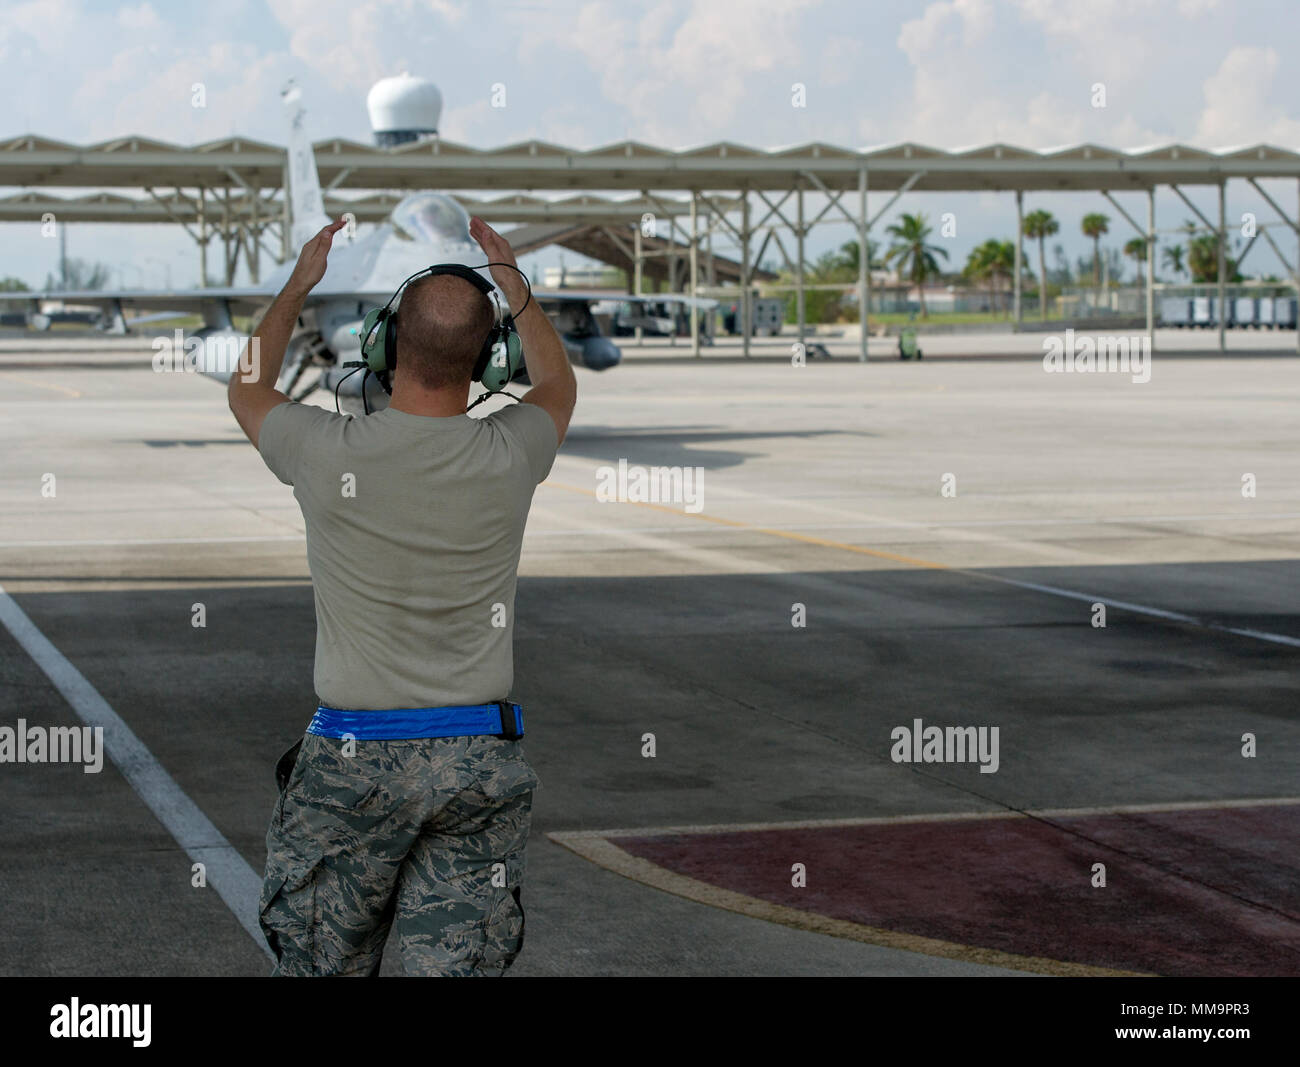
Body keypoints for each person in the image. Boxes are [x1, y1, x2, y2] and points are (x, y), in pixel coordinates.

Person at [227, 215, 576, 976]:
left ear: (383, 345)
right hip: (477, 763)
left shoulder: (323, 450)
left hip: (352, 760)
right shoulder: (513, 450)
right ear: (489, 360)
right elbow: (558, 384)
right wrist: (512, 284)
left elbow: (248, 385)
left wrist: (298, 284)